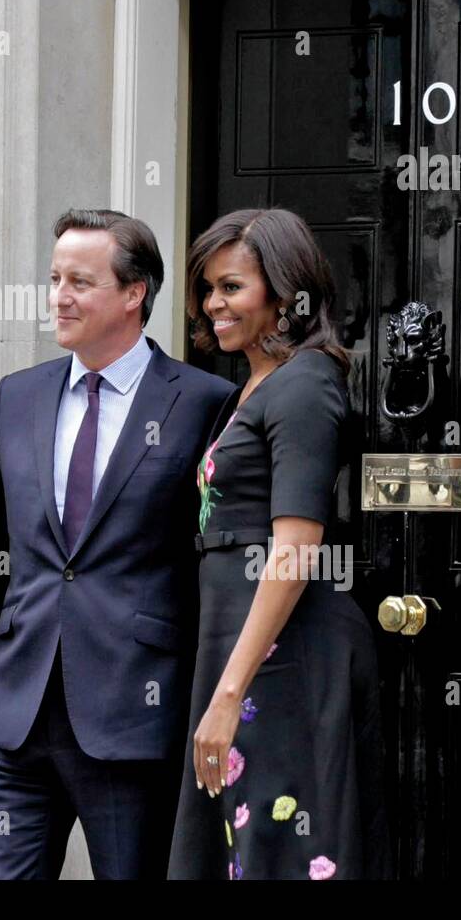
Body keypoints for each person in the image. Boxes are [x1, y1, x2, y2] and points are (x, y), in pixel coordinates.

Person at [0, 209, 235, 879]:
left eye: (80, 280)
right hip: (13, 724)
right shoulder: (18, 397)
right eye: (53, 279)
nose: (59, 296)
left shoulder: (203, 402)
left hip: (134, 720)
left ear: (134, 294)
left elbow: (211, 567)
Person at [168, 208, 391, 880]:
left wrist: (230, 693)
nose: (214, 304)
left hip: (285, 658)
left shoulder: (304, 384)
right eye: (208, 288)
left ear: (286, 291)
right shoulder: (255, 386)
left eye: (232, 286)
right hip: (243, 653)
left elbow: (293, 547)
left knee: (282, 851)